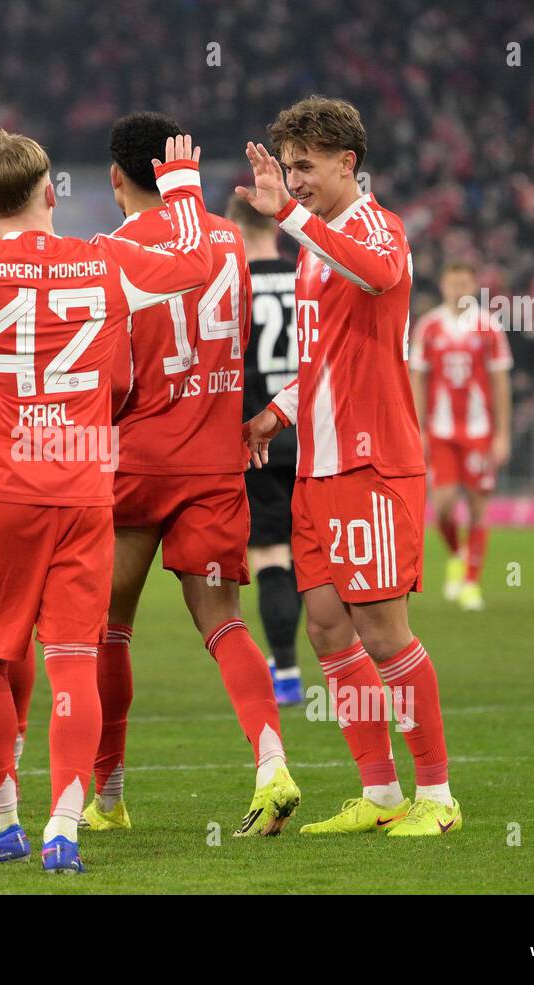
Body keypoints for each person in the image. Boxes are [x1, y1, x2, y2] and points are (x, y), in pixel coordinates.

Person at [0, 126, 213, 872]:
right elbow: (198, 263)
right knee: (74, 661)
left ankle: (1, 817)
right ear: (52, 192)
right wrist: (183, 185)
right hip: (83, 489)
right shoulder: (104, 259)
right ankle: (65, 821)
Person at [242, 96, 461, 836]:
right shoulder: (314, 246)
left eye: (306, 166)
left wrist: (289, 217)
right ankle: (383, 791)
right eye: (289, 167)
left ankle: (437, 796)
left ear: (348, 163)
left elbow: (375, 275)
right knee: (330, 628)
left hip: (373, 462)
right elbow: (323, 357)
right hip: (318, 466)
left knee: (384, 630)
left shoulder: (376, 227)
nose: (295, 180)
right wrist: (279, 408)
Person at [82, 112, 301, 838]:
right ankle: (271, 762)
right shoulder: (229, 239)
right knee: (224, 622)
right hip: (215, 456)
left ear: (117, 177)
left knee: (111, 629)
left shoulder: (111, 250)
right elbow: (237, 343)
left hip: (138, 460)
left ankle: (108, 794)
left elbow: (111, 375)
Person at [227, 192, 305, 705]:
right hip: (313, 434)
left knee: (272, 554)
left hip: (260, 436)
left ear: (234, 228)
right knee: (315, 554)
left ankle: (287, 671)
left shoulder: (236, 286)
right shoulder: (306, 276)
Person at [409, 261, 512, 611]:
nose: (457, 289)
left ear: (472, 285)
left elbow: (500, 382)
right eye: (452, 283)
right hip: (440, 431)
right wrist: (417, 428)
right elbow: (418, 380)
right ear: (443, 285)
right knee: (443, 507)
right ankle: (459, 554)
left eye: (464, 283)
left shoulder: (488, 327)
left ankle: (471, 582)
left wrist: (502, 435)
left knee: (478, 506)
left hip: (478, 431)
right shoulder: (429, 326)